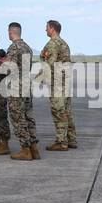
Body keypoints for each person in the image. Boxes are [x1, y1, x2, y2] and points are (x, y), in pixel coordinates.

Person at [0, 23, 40, 161]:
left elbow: (11, 69)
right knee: (28, 117)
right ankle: (34, 148)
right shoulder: (27, 47)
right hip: (27, 86)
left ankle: (25, 150)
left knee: (17, 118)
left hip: (16, 87)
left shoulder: (13, 47)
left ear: (10, 32)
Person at [41, 19, 78, 150]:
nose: (45, 30)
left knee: (58, 112)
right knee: (67, 112)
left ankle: (61, 142)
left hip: (57, 84)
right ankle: (71, 139)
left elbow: (49, 64)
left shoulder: (53, 44)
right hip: (65, 83)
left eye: (46, 27)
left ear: (52, 28)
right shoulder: (64, 44)